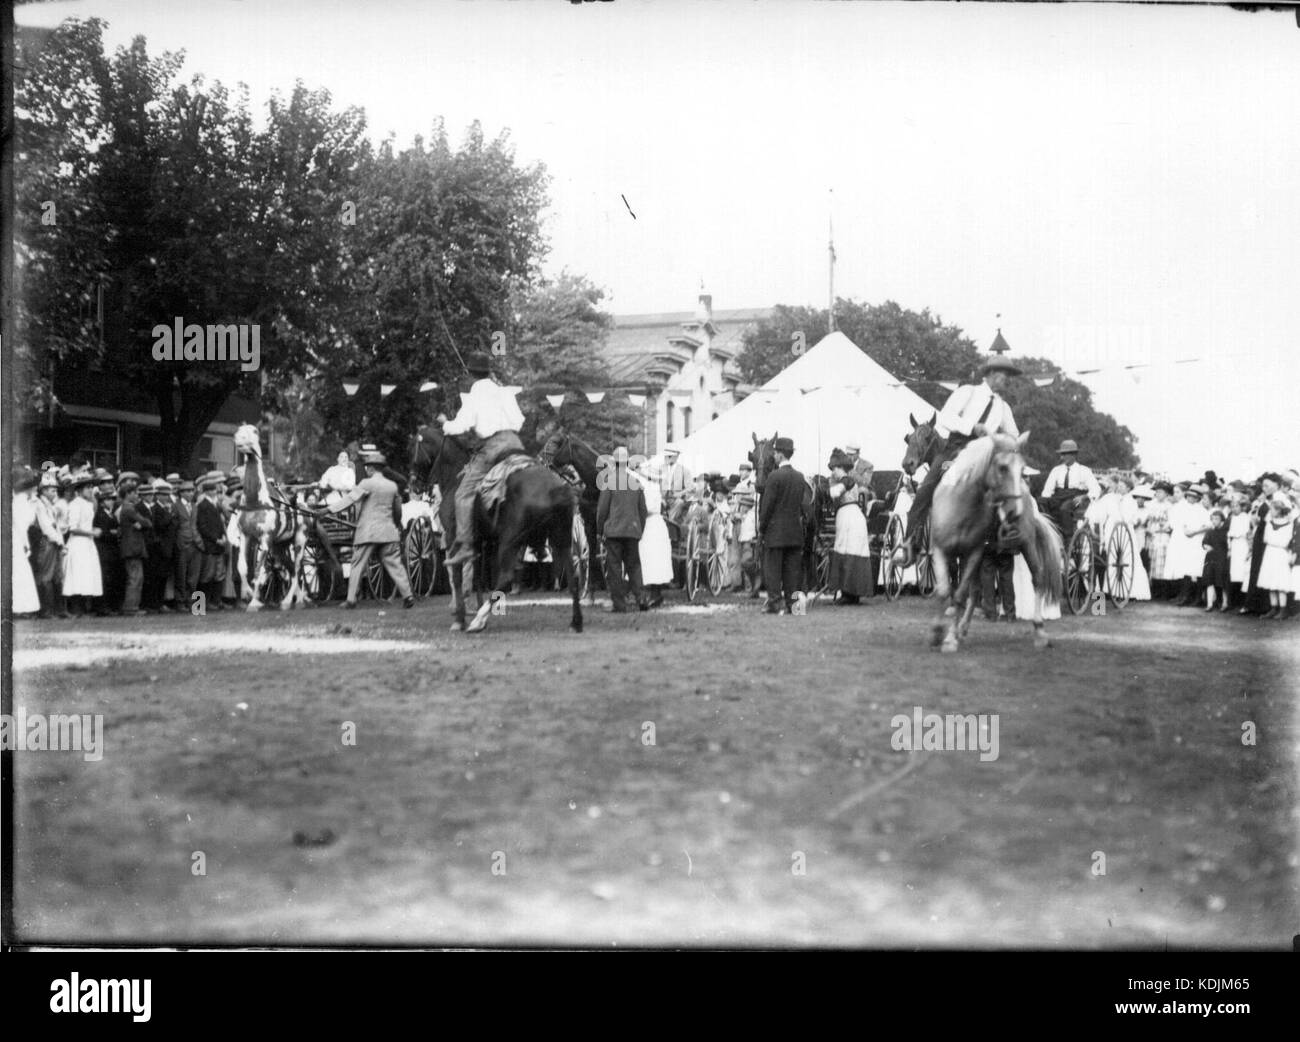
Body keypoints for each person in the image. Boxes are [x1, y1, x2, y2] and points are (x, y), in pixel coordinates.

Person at [900, 355, 1021, 559]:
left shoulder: (1003, 407)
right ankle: (911, 543)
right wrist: (971, 427)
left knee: (1007, 489)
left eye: (1009, 376)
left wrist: (1001, 441)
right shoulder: (968, 392)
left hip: (982, 456)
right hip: (954, 453)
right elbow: (946, 417)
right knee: (927, 488)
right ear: (991, 374)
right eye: (1004, 375)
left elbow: (1014, 436)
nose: (1007, 379)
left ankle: (1004, 537)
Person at [441, 352, 526, 567]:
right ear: (488, 372)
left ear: (470, 374)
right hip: (516, 442)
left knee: (463, 493)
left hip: (494, 446)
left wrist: (445, 424)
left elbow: (461, 425)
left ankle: (467, 546)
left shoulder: (474, 395)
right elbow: (520, 419)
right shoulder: (505, 391)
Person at [326, 451, 414, 608]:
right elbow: (397, 510)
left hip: (368, 532)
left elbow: (349, 499)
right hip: (388, 532)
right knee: (395, 564)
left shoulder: (367, 484)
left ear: (370, 469)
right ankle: (408, 596)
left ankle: (351, 599)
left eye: (367, 467)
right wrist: (394, 525)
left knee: (357, 564)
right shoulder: (392, 486)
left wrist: (328, 510)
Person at [758, 437, 809, 615]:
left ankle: (775, 603)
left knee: (773, 570)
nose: (774, 455)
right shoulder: (800, 477)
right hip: (794, 532)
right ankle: (795, 606)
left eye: (775, 453)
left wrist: (762, 527)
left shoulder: (774, 477)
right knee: (792, 572)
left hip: (775, 532)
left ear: (779, 454)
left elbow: (767, 506)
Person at [596, 446, 650, 613]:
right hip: (633, 531)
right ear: (627, 463)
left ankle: (619, 604)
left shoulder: (609, 483)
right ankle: (641, 599)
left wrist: (599, 531)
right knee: (634, 566)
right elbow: (643, 511)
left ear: (614, 463)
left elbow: (602, 511)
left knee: (614, 568)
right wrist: (639, 530)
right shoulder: (636, 483)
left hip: (613, 532)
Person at [826, 450, 873, 604]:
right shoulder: (843, 480)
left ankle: (849, 594)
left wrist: (828, 491)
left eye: (835, 469)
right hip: (848, 516)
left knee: (848, 552)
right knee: (850, 552)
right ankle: (851, 593)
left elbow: (835, 493)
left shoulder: (847, 480)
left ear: (841, 467)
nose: (833, 472)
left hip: (849, 516)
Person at [1039, 439, 1102, 535]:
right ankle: (1049, 530)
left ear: (1073, 455)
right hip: (1059, 496)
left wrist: (1084, 497)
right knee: (1041, 501)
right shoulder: (1056, 470)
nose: (1061, 457)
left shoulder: (1084, 470)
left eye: (1064, 454)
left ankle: (1067, 536)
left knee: (1064, 508)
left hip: (1075, 498)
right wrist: (1045, 500)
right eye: (1061, 454)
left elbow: (1096, 489)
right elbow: (1047, 490)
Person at [61, 473, 103, 615]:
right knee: (78, 574)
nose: (90, 490)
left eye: (91, 487)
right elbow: (73, 528)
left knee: (87, 574)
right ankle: (76, 607)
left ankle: (84, 607)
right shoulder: (75, 505)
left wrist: (92, 530)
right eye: (87, 488)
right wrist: (91, 533)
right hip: (78, 543)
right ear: (78, 490)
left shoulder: (89, 504)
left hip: (87, 544)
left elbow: (87, 523)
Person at [633, 461, 673, 606]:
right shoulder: (650, 487)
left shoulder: (651, 488)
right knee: (648, 557)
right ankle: (650, 592)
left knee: (650, 557)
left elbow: (648, 508)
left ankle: (654, 593)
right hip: (651, 523)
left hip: (651, 524)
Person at [31, 471, 67, 618]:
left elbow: (56, 526)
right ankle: (46, 611)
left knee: (55, 576)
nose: (55, 492)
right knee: (46, 576)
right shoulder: (40, 505)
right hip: (46, 542)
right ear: (43, 491)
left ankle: (55, 610)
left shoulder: (50, 505)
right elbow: (46, 527)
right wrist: (59, 541)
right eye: (52, 490)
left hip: (53, 542)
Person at [1169, 483, 1211, 606]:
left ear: (1198, 498)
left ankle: (1197, 598)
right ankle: (1184, 595)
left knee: (1196, 570)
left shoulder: (1202, 510)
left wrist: (1194, 532)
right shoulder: (1185, 509)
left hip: (1197, 541)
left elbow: (1208, 526)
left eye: (1193, 497)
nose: (1190, 499)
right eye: (1188, 496)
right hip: (1186, 542)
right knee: (1185, 568)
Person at [117, 476, 152, 616]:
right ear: (128, 494)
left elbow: (143, 523)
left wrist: (141, 524)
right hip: (132, 548)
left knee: (136, 578)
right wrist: (142, 524)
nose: (137, 495)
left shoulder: (127, 508)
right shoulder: (128, 509)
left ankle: (132, 607)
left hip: (132, 547)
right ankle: (131, 608)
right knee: (135, 578)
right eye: (135, 493)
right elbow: (147, 522)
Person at [1257, 491, 1295, 620]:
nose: (1270, 512)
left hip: (1280, 555)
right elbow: (1266, 538)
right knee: (1270, 581)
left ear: (1279, 510)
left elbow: (1285, 542)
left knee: (1280, 582)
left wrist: (1275, 541)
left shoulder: (1288, 524)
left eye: (1272, 509)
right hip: (1270, 553)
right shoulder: (1269, 523)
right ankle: (1274, 608)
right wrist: (1275, 541)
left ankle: (1283, 609)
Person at [195, 473, 230, 610]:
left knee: (219, 575)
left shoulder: (216, 505)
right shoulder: (202, 505)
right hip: (210, 545)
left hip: (219, 544)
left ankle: (215, 601)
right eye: (214, 490)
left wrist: (223, 537)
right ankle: (199, 604)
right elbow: (202, 527)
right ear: (208, 491)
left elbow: (220, 524)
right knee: (206, 576)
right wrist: (216, 539)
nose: (216, 492)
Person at [11, 468, 42, 616]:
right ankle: (18, 607)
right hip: (17, 538)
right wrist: (25, 544)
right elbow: (23, 524)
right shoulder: (21, 500)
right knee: (19, 570)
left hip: (14, 537)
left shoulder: (18, 499)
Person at [730, 460, 760, 597]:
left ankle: (749, 586)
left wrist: (742, 514)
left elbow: (753, 504)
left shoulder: (752, 486)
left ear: (749, 472)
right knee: (735, 553)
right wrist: (733, 514)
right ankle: (736, 583)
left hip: (746, 521)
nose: (741, 473)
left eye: (744, 470)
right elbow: (734, 502)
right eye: (740, 470)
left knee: (746, 554)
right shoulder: (738, 485)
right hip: (736, 521)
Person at [93, 483, 122, 615]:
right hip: (104, 550)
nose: (111, 502)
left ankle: (110, 606)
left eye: (112, 499)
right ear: (102, 502)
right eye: (108, 499)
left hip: (112, 550)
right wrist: (112, 533)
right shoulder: (100, 515)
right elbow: (100, 533)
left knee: (112, 578)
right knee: (105, 578)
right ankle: (102, 607)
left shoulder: (110, 514)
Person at [174, 480, 202, 611]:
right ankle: (180, 602)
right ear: (181, 493)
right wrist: (178, 542)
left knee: (193, 575)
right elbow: (174, 526)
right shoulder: (176, 506)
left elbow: (195, 524)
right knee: (181, 574)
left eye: (192, 491)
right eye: (187, 491)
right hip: (182, 543)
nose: (191, 493)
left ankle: (191, 602)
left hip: (196, 543)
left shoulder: (195, 506)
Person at [1200, 508, 1230, 612]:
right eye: (1212, 519)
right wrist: (1205, 546)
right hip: (1211, 558)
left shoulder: (1226, 532)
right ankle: (1209, 604)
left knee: (1222, 581)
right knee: (1209, 581)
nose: (1214, 521)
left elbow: (1227, 545)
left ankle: (1225, 603)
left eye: (1216, 519)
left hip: (1222, 558)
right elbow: (1204, 542)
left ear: (1222, 520)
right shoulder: (1210, 531)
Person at [843, 440, 875, 511]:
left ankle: (863, 513)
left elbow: (865, 483)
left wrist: (851, 470)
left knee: (862, 490)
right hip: (848, 490)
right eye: (848, 454)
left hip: (863, 490)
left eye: (851, 454)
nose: (849, 457)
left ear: (858, 454)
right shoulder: (843, 465)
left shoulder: (868, 465)